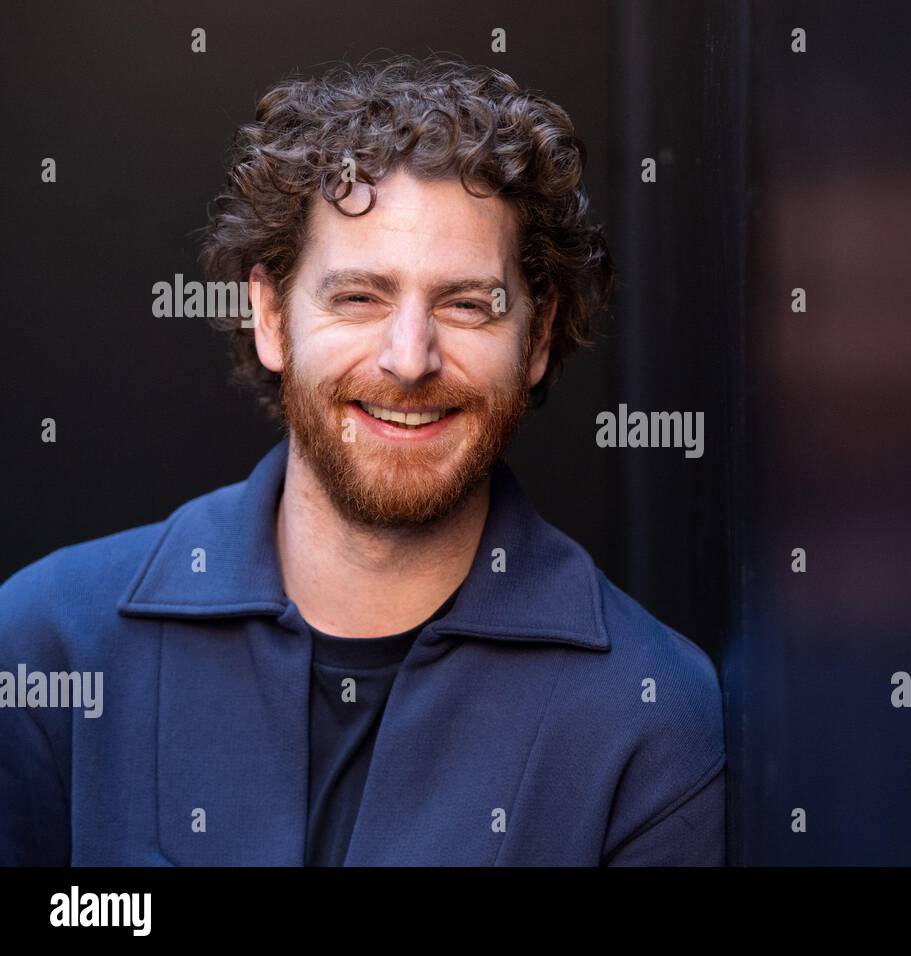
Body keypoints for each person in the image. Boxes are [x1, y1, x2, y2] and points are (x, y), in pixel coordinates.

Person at [0, 55, 725, 866]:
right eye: (359, 297)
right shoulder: (48, 644)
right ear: (270, 317)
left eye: (466, 304)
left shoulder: (650, 710)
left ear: (539, 336)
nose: (409, 359)